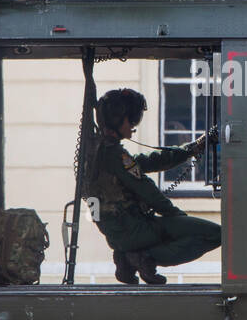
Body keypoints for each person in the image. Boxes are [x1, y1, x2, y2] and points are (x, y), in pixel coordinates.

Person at [89, 88, 221, 285]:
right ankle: (143, 258)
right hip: (134, 229)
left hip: (117, 232)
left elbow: (149, 162)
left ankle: (129, 257)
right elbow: (146, 189)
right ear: (118, 119)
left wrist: (191, 149)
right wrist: (176, 216)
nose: (134, 124)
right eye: (131, 118)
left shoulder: (99, 152)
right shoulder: (114, 155)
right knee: (215, 234)